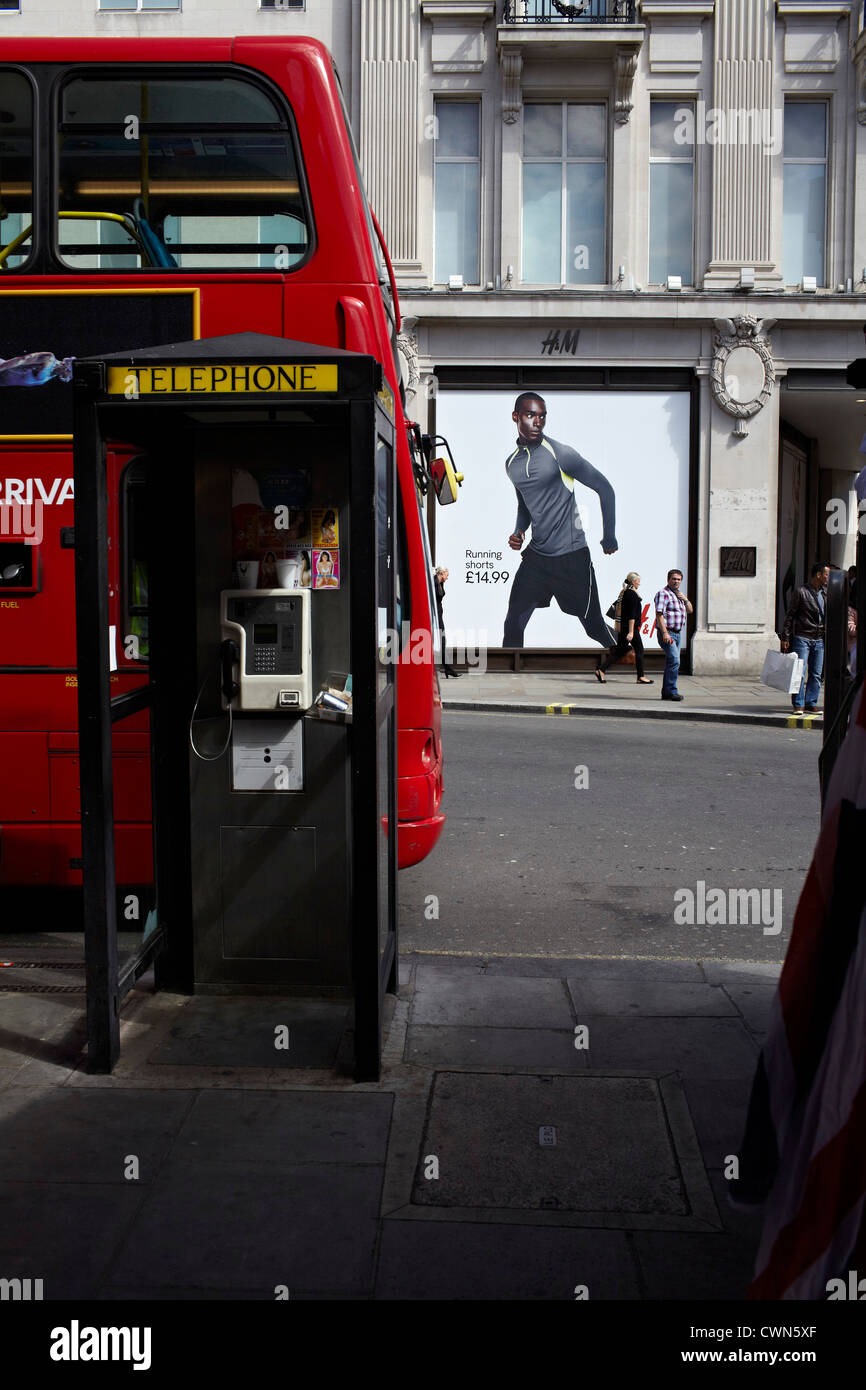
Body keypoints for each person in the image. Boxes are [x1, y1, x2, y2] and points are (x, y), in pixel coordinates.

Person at [502, 392, 618, 648]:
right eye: (531, 415)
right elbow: (524, 504)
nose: (538, 422)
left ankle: (630, 656)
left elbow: (604, 487)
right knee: (513, 625)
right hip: (537, 558)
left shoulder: (560, 454)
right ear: (516, 417)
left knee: (594, 627)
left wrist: (609, 535)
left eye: (542, 416)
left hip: (572, 556)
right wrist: (519, 531)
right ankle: (510, 682)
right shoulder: (512, 463)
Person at [780, 561, 828, 712]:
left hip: (819, 639)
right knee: (799, 673)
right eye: (827, 574)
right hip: (802, 637)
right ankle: (798, 703)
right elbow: (790, 615)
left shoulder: (826, 593)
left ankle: (811, 703)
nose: (828, 577)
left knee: (816, 674)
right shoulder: (801, 591)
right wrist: (786, 637)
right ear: (818, 575)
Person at [595, 571, 653, 684]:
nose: (639, 584)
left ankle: (601, 670)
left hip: (623, 627)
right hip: (629, 628)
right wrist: (631, 632)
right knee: (639, 650)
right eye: (638, 582)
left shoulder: (625, 592)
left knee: (620, 650)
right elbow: (631, 615)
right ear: (633, 581)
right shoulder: (631, 594)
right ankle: (640, 677)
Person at [654, 568, 692, 701]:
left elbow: (690, 610)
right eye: (674, 579)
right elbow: (659, 614)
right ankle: (672, 691)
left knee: (672, 661)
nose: (676, 581)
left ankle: (666, 692)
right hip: (667, 633)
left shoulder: (679, 595)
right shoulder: (663, 594)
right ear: (668, 579)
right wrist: (664, 633)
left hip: (677, 633)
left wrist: (686, 600)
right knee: (675, 660)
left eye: (679, 579)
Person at [434, 566, 460, 678]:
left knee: (443, 641)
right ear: (442, 573)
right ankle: (447, 669)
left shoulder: (440, 583)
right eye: (447, 575)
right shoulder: (434, 582)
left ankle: (448, 669)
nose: (447, 577)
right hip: (435, 617)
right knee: (441, 640)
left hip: (439, 615)